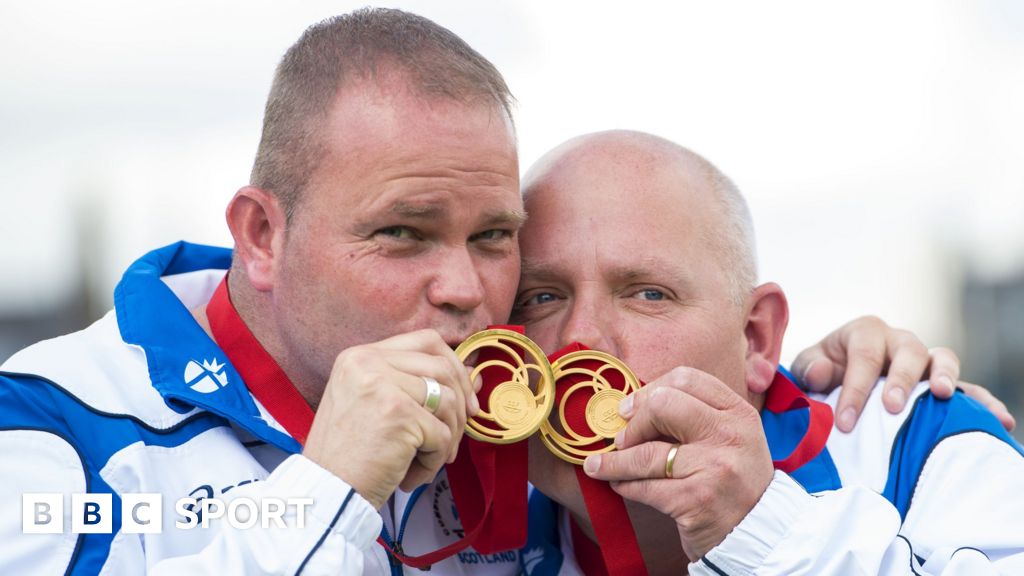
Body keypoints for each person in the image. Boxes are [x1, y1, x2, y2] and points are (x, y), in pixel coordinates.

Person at [0, 9, 1004, 575]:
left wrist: (781, 512)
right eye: (401, 234)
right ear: (262, 236)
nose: (464, 291)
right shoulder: (43, 429)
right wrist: (323, 491)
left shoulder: (905, 435)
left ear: (755, 330)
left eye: (493, 243)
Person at [511, 129, 1024, 574]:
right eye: (540, 298)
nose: (580, 339)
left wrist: (761, 533)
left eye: (648, 294)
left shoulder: (920, 446)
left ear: (756, 337)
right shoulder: (444, 511)